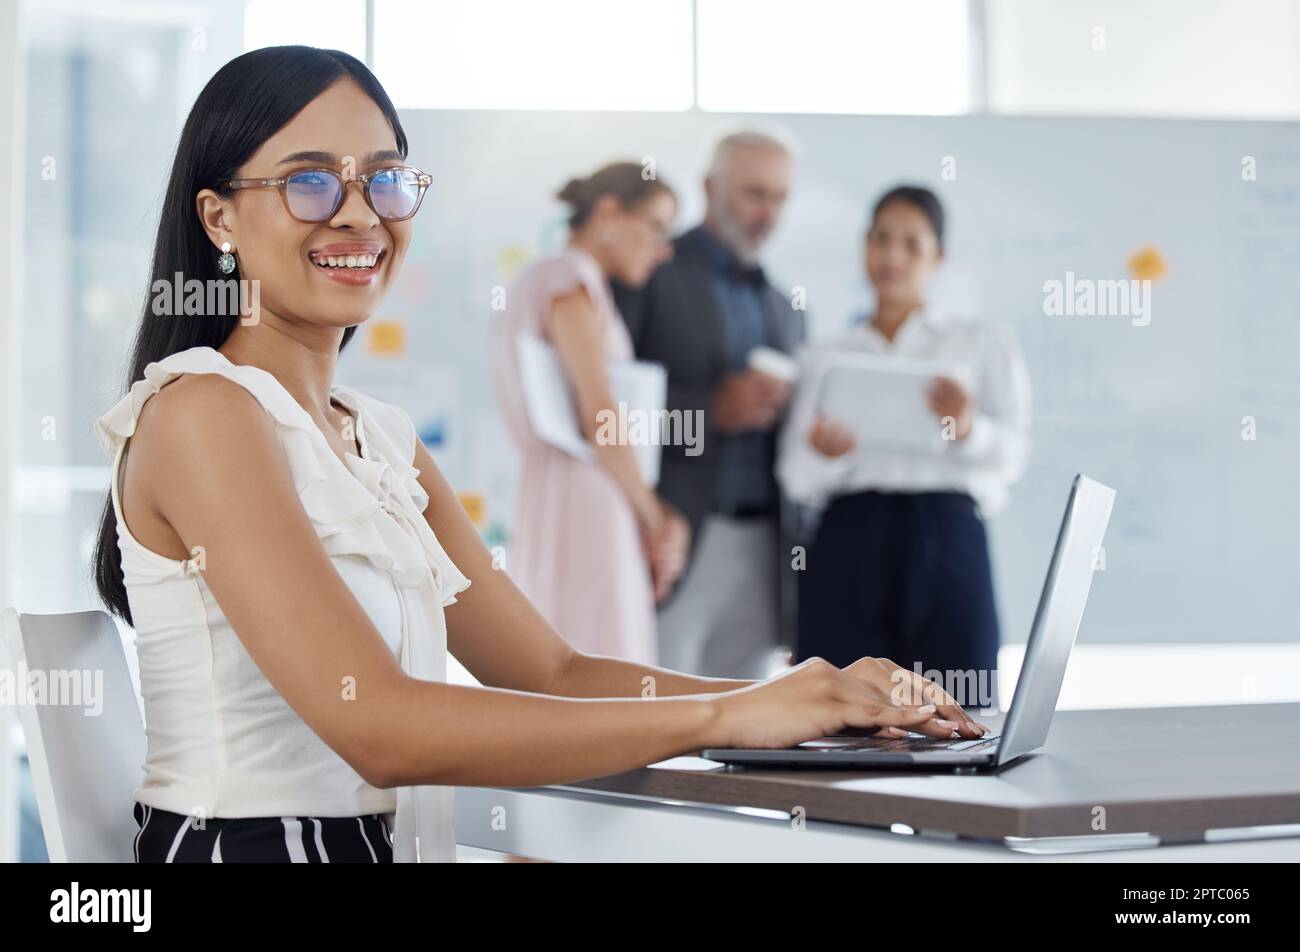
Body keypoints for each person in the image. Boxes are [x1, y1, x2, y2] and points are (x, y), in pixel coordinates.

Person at [92, 48, 987, 864]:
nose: (361, 213)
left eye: (387, 180)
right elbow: (380, 725)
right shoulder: (203, 412)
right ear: (218, 217)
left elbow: (551, 672)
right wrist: (730, 715)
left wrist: (807, 702)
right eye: (311, 182)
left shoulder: (379, 435)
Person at [778, 185, 1031, 706]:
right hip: (849, 542)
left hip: (948, 540)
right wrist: (827, 456)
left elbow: (1012, 456)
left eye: (911, 244)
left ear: (938, 256)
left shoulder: (980, 341)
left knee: (960, 710)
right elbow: (793, 475)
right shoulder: (827, 354)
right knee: (834, 714)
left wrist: (966, 429)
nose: (892, 256)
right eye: (880, 239)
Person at [613, 130, 805, 679]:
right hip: (676, 535)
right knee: (658, 717)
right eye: (754, 193)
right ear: (709, 187)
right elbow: (605, 407)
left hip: (767, 546)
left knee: (747, 725)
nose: (768, 212)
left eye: (780, 198)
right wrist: (710, 412)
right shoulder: (654, 272)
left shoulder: (784, 303)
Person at [490, 162, 690, 664]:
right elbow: (598, 412)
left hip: (556, 493)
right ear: (608, 212)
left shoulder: (546, 279)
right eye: (656, 228)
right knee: (603, 659)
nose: (663, 250)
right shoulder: (570, 278)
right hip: (589, 496)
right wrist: (652, 516)